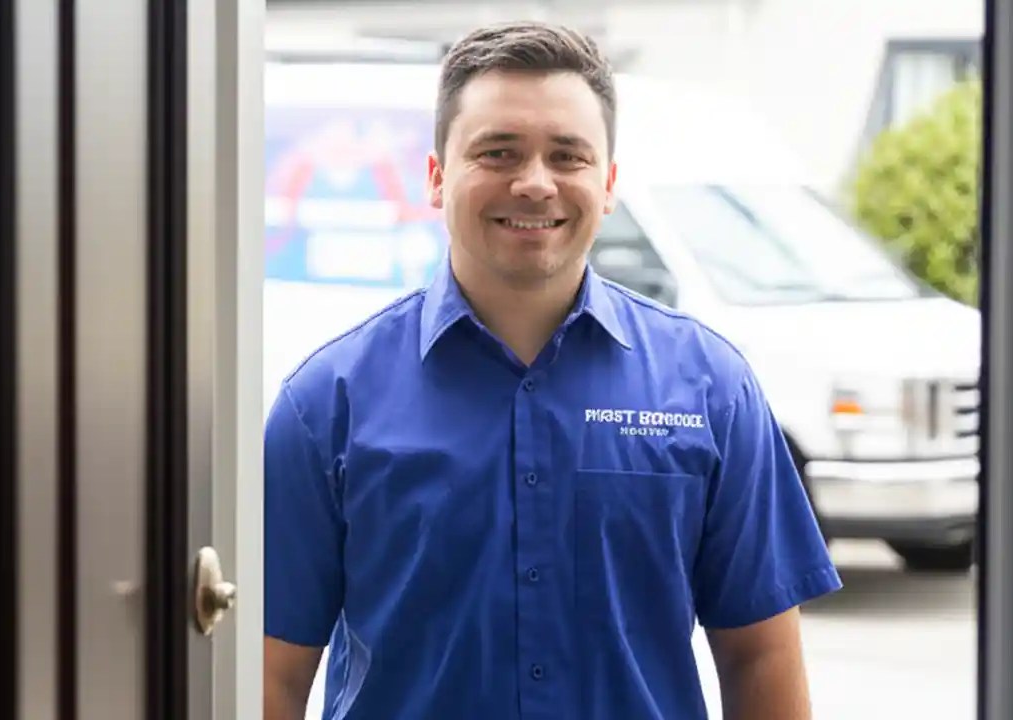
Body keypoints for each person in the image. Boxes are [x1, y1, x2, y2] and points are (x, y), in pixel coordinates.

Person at [263, 20, 842, 720]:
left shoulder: (713, 390)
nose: (534, 183)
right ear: (437, 179)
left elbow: (762, 656)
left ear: (608, 185)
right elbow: (274, 672)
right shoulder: (326, 404)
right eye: (497, 152)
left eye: (567, 156)